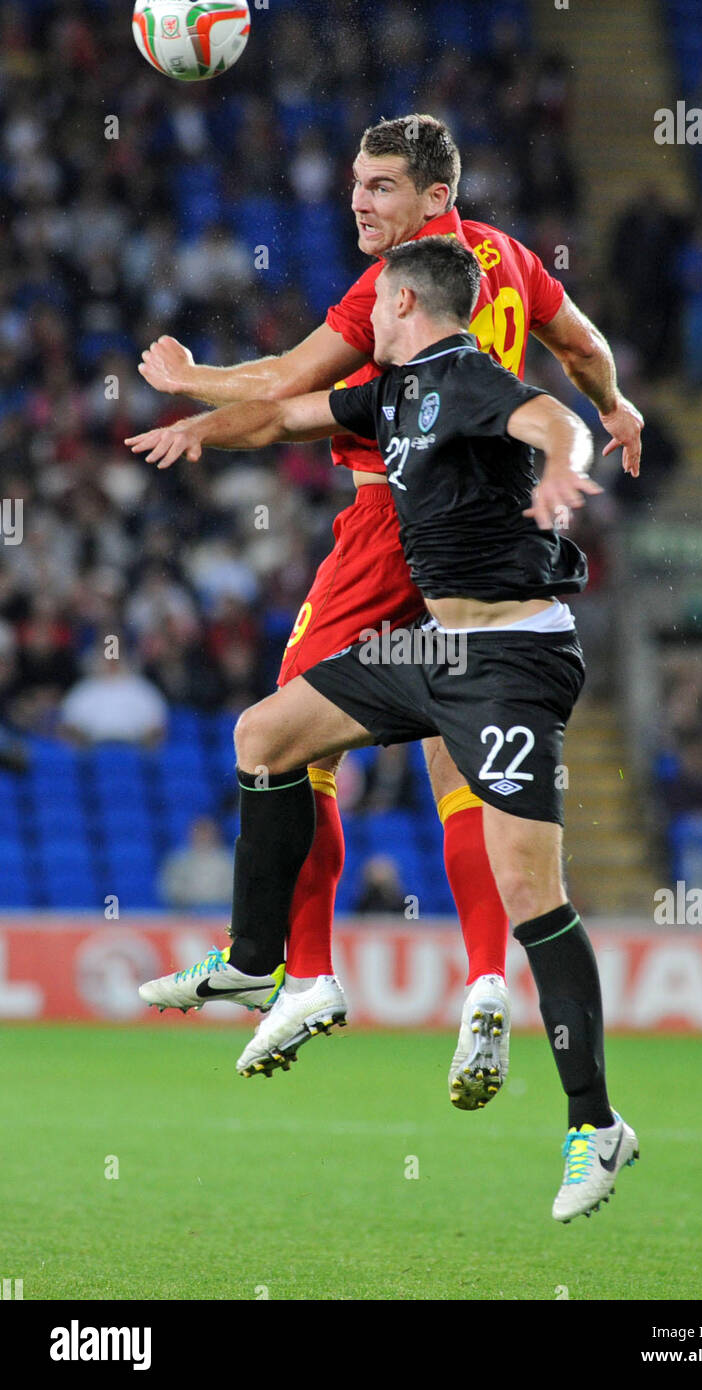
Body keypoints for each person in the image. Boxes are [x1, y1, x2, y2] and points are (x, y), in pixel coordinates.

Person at [135, 114, 643, 1106]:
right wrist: (616, 406)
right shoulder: (509, 260)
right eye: (357, 185)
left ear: (431, 202)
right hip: (475, 542)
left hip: (387, 522)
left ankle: (303, 972)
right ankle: (485, 983)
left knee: (287, 735)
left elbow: (287, 387)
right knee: (462, 772)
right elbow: (579, 346)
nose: (357, 201)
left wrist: (190, 381)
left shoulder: (399, 285)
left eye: (377, 187)